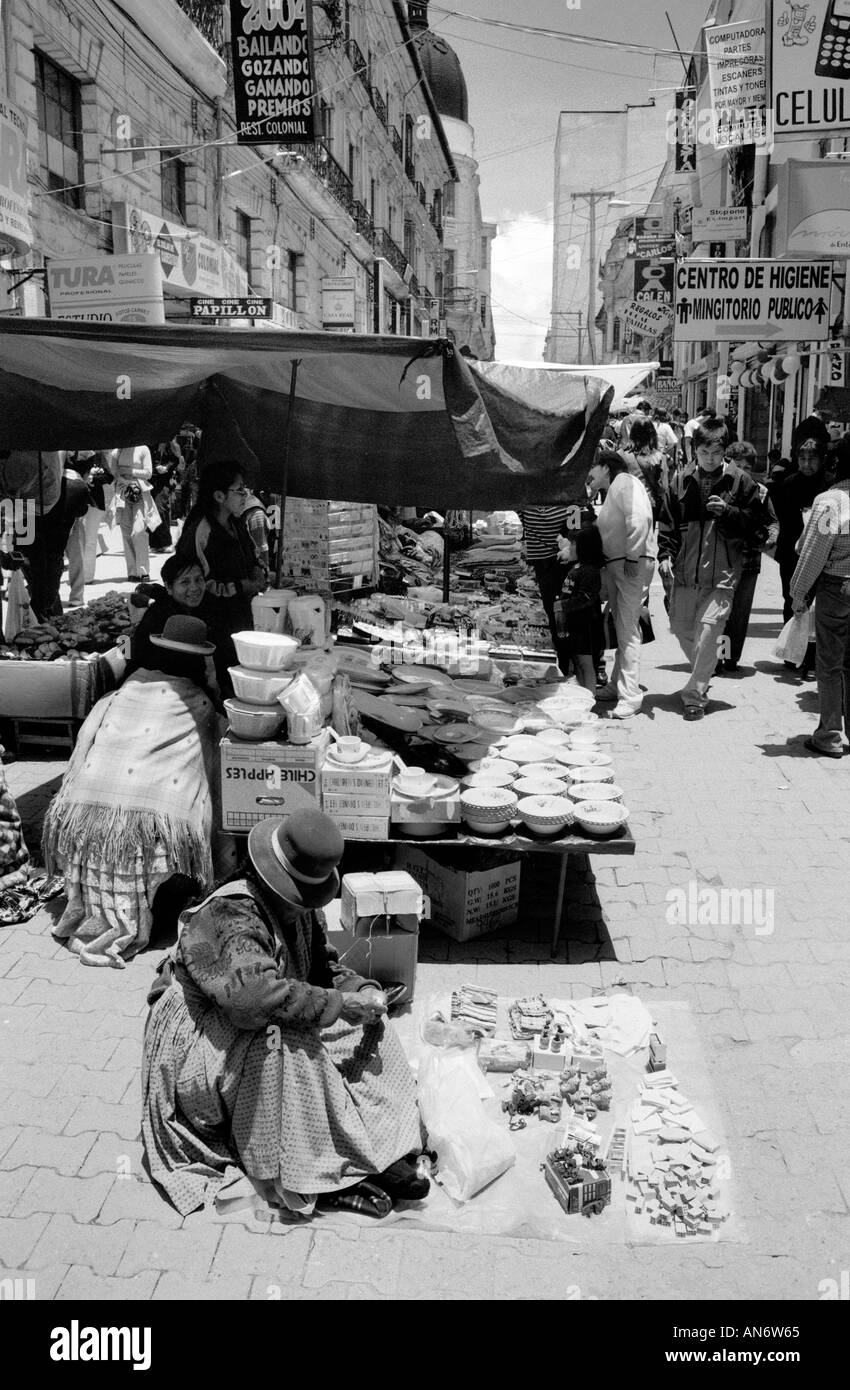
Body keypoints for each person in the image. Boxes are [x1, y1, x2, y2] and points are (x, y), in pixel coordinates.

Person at [141, 808, 426, 1218]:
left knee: (369, 1028)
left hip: (264, 1007)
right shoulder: (229, 916)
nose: (301, 907)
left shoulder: (298, 907)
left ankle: (380, 1147)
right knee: (285, 1046)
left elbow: (320, 969)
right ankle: (319, 1176)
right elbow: (252, 1002)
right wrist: (340, 1005)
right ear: (270, 877)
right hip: (199, 1036)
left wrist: (360, 990)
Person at [43, 616, 228, 968]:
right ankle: (159, 901)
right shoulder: (200, 706)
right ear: (199, 660)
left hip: (82, 832)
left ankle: (100, 904)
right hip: (141, 844)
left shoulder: (126, 688)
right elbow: (212, 772)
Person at [658, 416, 764, 721]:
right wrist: (665, 554)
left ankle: (694, 696)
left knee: (708, 635)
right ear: (695, 450)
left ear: (725, 452)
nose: (710, 460)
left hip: (723, 574)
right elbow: (667, 524)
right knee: (680, 629)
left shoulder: (741, 481)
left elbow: (757, 527)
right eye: (704, 454)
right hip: (685, 573)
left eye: (716, 455)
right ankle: (704, 671)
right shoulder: (681, 480)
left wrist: (729, 512)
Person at [178, 461, 267, 697]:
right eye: (239, 490)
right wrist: (241, 586)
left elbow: (250, 557)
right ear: (219, 495)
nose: (245, 495)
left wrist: (257, 570)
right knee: (224, 685)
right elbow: (192, 584)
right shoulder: (201, 529)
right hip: (213, 623)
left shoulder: (236, 523)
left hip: (240, 617)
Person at [789, 439, 850, 757]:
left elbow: (811, 551)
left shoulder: (830, 502)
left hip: (837, 588)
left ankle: (829, 734)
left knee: (829, 664)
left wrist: (798, 594)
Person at [589, 451, 657, 718]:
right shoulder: (614, 489)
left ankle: (631, 696)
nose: (590, 476)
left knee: (628, 630)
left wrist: (632, 555)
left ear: (606, 467)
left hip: (631, 563)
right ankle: (618, 684)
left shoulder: (625, 482)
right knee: (621, 626)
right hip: (622, 564)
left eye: (592, 469)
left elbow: (640, 519)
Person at [719, 442, 778, 671]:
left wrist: (771, 538)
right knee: (720, 613)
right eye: (738, 466)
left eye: (747, 466)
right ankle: (717, 657)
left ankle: (731, 659)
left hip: (749, 561)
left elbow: (772, 521)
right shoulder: (722, 488)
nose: (742, 470)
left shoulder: (761, 491)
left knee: (739, 616)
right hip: (722, 560)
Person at [128, 553, 216, 690]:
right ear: (169, 587)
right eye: (185, 582)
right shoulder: (161, 618)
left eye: (199, 580)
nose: (194, 588)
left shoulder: (203, 606)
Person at [772, 418, 829, 622]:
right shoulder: (788, 484)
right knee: (792, 604)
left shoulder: (831, 486)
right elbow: (781, 521)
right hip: (792, 556)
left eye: (812, 459)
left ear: (822, 458)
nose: (806, 464)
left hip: (823, 559)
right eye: (802, 458)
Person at [519, 503, 571, 676]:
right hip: (543, 566)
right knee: (554, 613)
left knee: (561, 613)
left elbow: (576, 529)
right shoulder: (525, 501)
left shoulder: (570, 499)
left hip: (563, 563)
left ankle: (568, 661)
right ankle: (564, 659)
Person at [554, 525, 605, 693]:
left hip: (586, 626)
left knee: (586, 664)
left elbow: (586, 598)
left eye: (574, 544)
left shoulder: (590, 571)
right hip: (575, 624)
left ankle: (590, 700)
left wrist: (563, 605)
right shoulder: (578, 566)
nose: (570, 548)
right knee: (577, 663)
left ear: (585, 547)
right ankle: (583, 696)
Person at [109, 444, 159, 581]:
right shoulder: (116, 451)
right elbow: (114, 472)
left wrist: (130, 471)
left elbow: (148, 473)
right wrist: (126, 480)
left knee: (138, 531)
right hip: (123, 492)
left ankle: (143, 571)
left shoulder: (143, 449)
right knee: (126, 532)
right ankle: (132, 572)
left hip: (141, 492)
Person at [619, 417, 666, 517]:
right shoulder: (659, 457)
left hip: (628, 503)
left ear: (632, 433)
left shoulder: (621, 455)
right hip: (650, 504)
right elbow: (663, 485)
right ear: (653, 434)